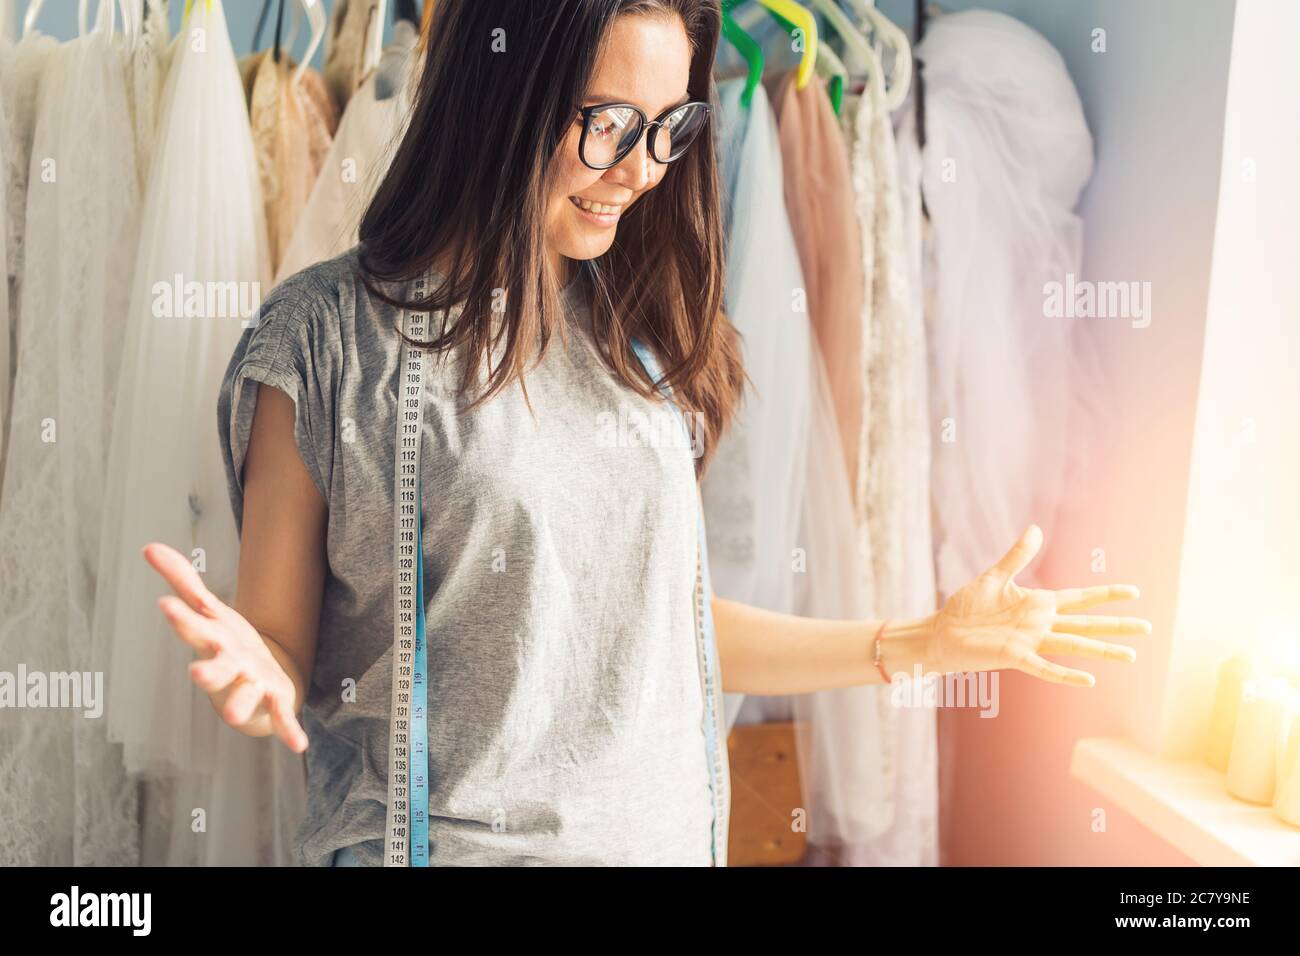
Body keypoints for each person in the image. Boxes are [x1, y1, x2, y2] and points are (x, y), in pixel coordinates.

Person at [143, 0, 1150, 866]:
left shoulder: (637, 337)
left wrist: (920, 641)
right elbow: (277, 634)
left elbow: (663, 624)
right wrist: (261, 659)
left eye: (670, 127)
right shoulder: (322, 341)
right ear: (504, 96)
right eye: (611, 123)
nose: (641, 168)